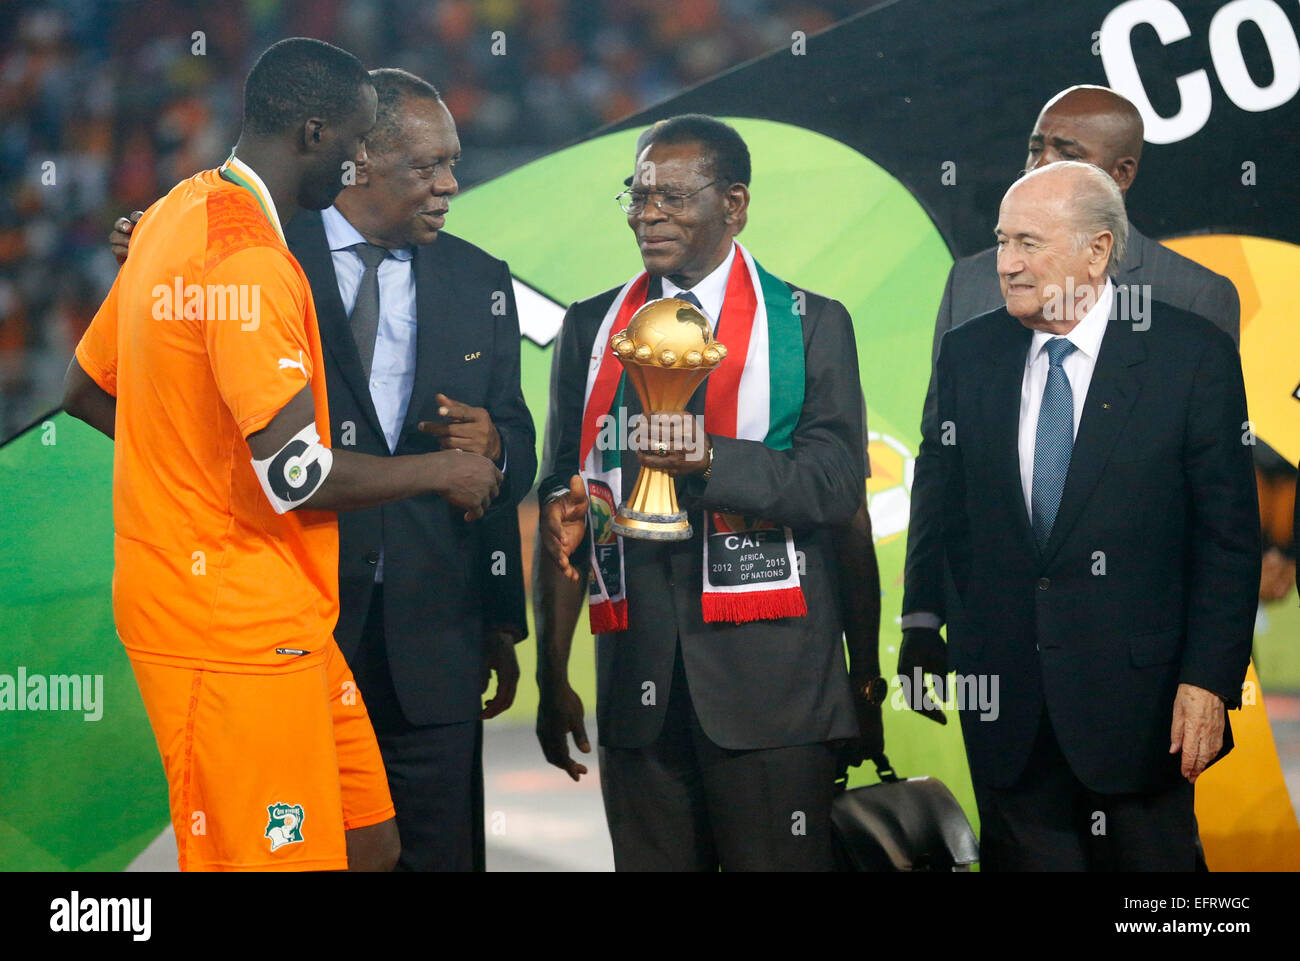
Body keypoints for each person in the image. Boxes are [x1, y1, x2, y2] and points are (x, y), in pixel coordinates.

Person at [62, 38, 502, 871]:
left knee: (369, 842)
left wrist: (193, 463)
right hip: (225, 626)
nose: (356, 162)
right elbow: (296, 474)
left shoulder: (174, 213)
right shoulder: (253, 260)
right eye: (353, 142)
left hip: (284, 612)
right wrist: (446, 469)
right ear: (313, 134)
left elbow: (89, 391)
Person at [534, 115, 871, 871]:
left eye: (674, 198)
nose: (649, 214)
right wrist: (552, 672)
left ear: (736, 204)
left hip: (773, 695)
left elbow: (835, 484)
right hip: (637, 686)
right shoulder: (591, 327)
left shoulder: (811, 324)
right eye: (639, 195)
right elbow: (564, 483)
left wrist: (711, 459)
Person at [903, 161, 1260, 870]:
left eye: (1028, 244)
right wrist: (922, 620)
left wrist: (1210, 679)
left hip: (1143, 712)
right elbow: (940, 498)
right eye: (1003, 242)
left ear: (1097, 251)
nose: (1006, 264)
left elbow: (1228, 541)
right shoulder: (970, 353)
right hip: (1007, 711)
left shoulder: (1191, 356)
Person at [902, 83, 1241, 721]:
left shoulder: (1196, 298)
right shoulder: (976, 280)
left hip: (1140, 669)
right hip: (1005, 667)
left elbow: (1220, 512)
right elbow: (941, 465)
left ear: (1121, 174)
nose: (1041, 167)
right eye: (1035, 148)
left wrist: (1210, 671)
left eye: (1066, 153)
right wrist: (923, 615)